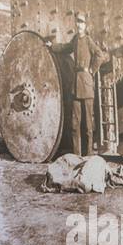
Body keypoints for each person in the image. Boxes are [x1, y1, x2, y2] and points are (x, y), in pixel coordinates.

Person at [50, 12, 110, 156]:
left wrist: (92, 70)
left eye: (81, 22)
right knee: (75, 123)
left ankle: (88, 153)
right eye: (77, 22)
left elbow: (99, 55)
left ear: (85, 25)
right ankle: (77, 154)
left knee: (88, 124)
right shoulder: (76, 39)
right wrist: (52, 46)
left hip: (86, 83)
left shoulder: (88, 40)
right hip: (76, 85)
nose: (79, 25)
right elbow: (66, 48)